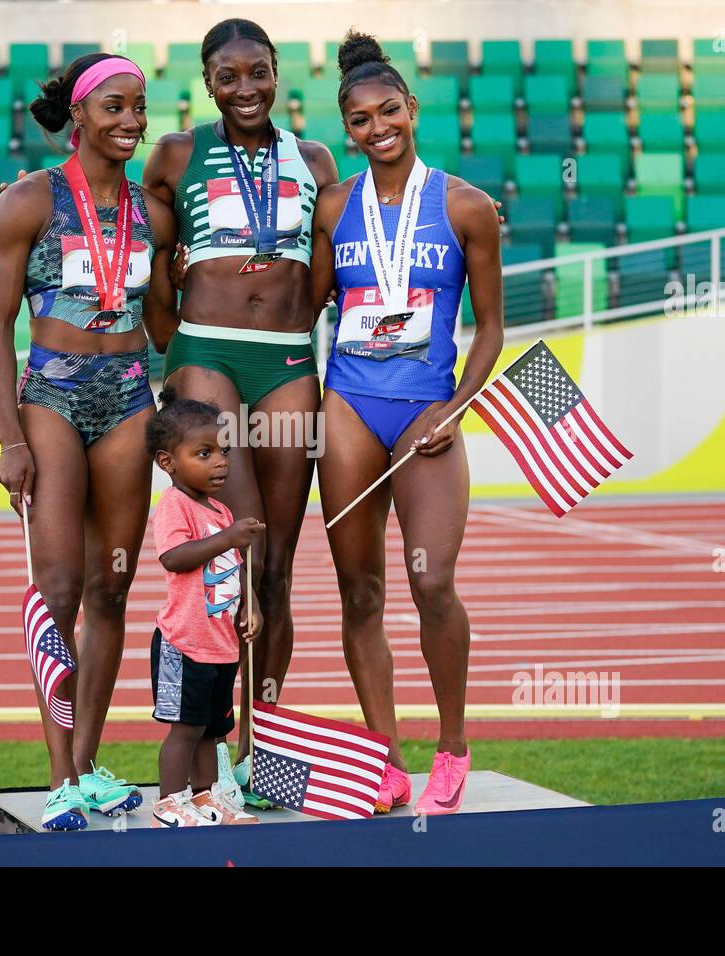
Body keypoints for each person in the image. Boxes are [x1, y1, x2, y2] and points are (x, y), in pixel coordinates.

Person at [142, 18, 341, 803]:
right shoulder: (174, 154)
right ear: (207, 82)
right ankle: (207, 750)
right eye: (229, 77)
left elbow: (348, 241)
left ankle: (266, 746)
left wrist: (473, 220)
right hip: (207, 352)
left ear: (276, 71)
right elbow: (128, 228)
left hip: (288, 357)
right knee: (231, 553)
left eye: (258, 72)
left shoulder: (315, 159)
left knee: (279, 564)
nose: (247, 88)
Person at [0, 52, 179, 831]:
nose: (130, 121)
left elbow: (163, 322)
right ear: (81, 116)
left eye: (139, 108)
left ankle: (92, 763)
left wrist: (189, 270)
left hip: (130, 395)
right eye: (115, 108)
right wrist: (9, 440)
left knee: (112, 588)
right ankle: (58, 772)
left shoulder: (154, 214)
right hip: (52, 397)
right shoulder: (29, 201)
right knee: (59, 590)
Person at [310, 32, 504, 815]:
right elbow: (312, 298)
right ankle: (384, 758)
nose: (376, 127)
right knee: (360, 592)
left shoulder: (465, 206)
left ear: (411, 109)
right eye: (359, 120)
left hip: (427, 406)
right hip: (350, 401)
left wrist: (455, 408)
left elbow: (490, 328)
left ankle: (452, 744)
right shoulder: (334, 204)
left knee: (431, 582)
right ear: (347, 130)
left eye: (388, 111)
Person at [147, 386, 263, 827]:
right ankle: (168, 801)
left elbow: (234, 569)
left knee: (213, 731)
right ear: (168, 462)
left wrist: (250, 607)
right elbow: (174, 558)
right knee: (185, 729)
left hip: (220, 646)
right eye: (204, 453)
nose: (220, 462)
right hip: (184, 644)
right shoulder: (175, 506)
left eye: (223, 451)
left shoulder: (220, 511)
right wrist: (227, 538)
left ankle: (205, 797)